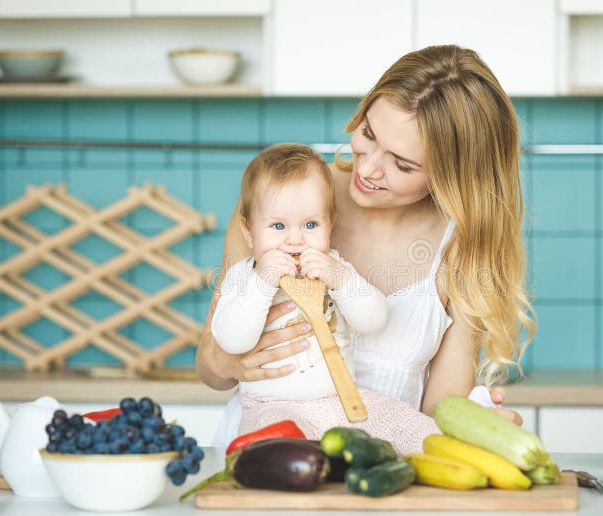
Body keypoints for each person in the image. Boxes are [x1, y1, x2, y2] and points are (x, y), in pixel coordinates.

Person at [197, 44, 535, 448]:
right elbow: (210, 367)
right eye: (368, 134)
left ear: (453, 176)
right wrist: (233, 359)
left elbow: (439, 412)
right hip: (270, 449)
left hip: (384, 470)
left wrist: (474, 423)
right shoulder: (284, 202)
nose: (369, 168)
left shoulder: (464, 247)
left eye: (402, 164)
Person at [211, 143, 440, 453]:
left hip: (342, 401)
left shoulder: (333, 267)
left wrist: (342, 279)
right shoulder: (243, 277)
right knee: (276, 449)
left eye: (310, 225)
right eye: (278, 226)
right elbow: (232, 340)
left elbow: (374, 320)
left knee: (414, 427)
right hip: (272, 407)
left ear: (330, 224)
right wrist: (262, 284)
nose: (295, 239)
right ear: (249, 231)